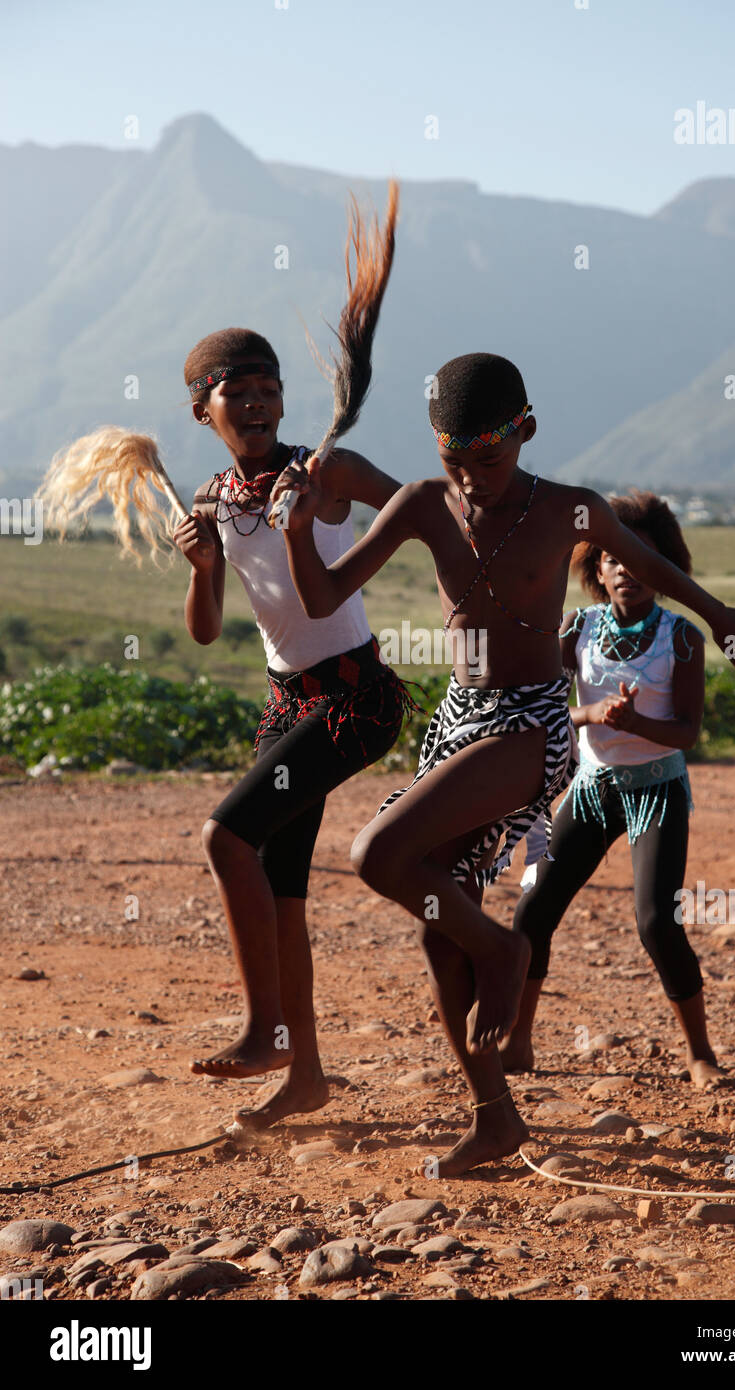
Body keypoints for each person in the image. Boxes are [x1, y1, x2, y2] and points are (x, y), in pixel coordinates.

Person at [275, 352, 735, 1172]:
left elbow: (652, 565)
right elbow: (322, 596)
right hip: (460, 721)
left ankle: (506, 952)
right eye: (454, 461)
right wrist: (296, 532)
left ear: (524, 431)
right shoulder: (427, 505)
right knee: (439, 923)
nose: (473, 479)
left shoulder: (569, 510)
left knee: (377, 854)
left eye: (488, 459)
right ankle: (495, 1116)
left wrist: (716, 614)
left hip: (533, 724)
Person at [173, 327, 414, 1130]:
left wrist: (483, 587)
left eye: (269, 391)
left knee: (223, 838)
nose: (256, 405)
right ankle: (305, 1073)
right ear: (202, 410)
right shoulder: (213, 501)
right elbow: (207, 631)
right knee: (282, 890)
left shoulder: (326, 472)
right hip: (286, 709)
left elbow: (422, 508)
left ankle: (262, 1031)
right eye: (237, 394)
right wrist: (204, 571)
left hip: (356, 700)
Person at [503, 491, 722, 1089]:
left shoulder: (682, 639)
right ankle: (517, 1042)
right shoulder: (578, 629)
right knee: (534, 909)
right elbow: (544, 703)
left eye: (643, 558)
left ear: (664, 568)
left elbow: (687, 732)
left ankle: (699, 1053)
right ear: (597, 570)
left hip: (657, 790)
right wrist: (589, 714)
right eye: (615, 559)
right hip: (594, 786)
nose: (628, 569)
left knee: (657, 921)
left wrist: (634, 725)